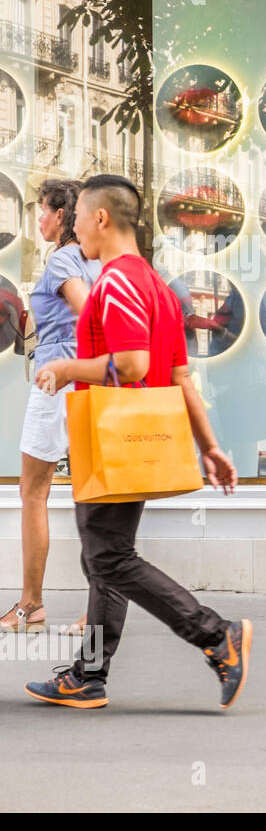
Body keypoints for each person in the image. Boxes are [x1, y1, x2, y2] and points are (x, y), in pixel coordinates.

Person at [24, 174, 251, 711]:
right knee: (106, 556)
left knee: (108, 557)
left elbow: (132, 366)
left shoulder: (118, 283)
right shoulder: (156, 285)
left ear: (100, 218)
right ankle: (89, 675)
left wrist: (62, 366)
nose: (74, 225)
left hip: (114, 436)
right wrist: (211, 446)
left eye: (78, 214)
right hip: (133, 436)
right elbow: (180, 376)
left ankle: (216, 635)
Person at [2, 180, 98, 633]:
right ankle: (94, 613)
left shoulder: (63, 258)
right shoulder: (97, 258)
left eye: (42, 210)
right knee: (94, 494)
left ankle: (30, 605)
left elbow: (94, 315)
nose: (38, 219)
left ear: (61, 215)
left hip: (58, 380)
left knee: (33, 491)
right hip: (91, 380)